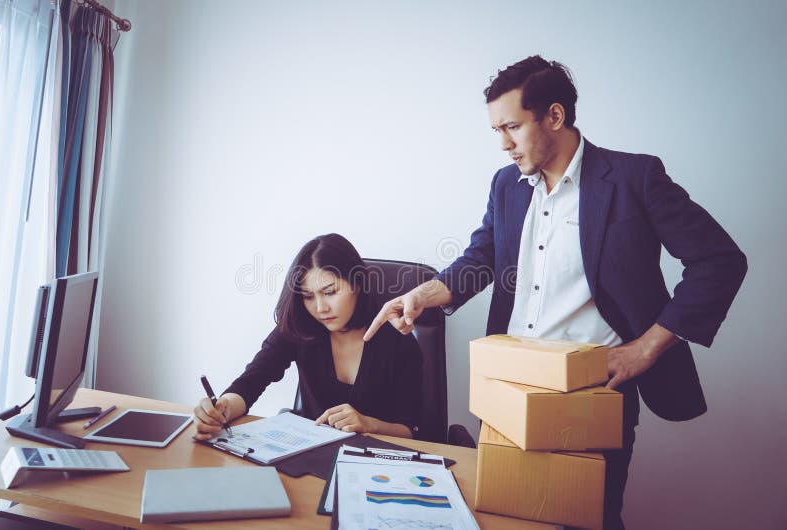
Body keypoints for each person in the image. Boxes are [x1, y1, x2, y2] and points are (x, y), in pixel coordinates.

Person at [364, 56, 747, 529]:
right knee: (509, 515)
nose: (503, 144)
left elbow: (719, 260)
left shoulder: (634, 179)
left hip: (593, 390)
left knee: (588, 519)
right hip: (507, 385)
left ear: (554, 116)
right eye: (495, 131)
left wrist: (644, 349)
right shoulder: (507, 185)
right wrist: (421, 295)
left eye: (511, 127)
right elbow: (481, 257)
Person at [194, 233, 422, 441]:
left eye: (330, 292)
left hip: (377, 463)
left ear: (357, 284)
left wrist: (368, 424)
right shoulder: (300, 327)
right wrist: (221, 409)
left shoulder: (398, 340)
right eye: (308, 296)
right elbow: (250, 383)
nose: (320, 308)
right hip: (311, 457)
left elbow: (410, 431)